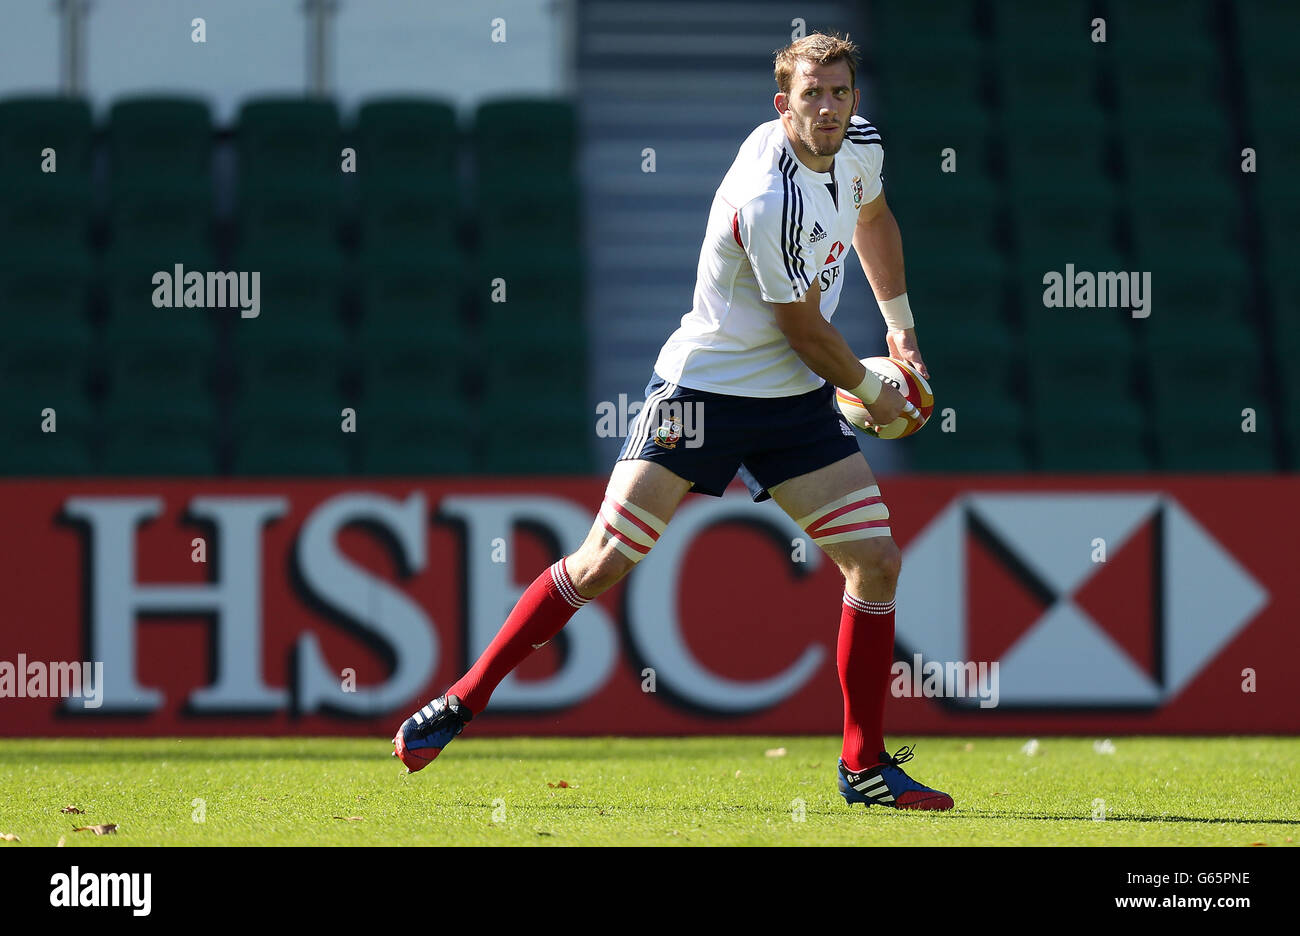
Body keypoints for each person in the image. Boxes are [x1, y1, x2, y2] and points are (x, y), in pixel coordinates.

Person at [393, 31, 953, 811]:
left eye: (839, 91)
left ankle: (863, 769)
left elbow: (875, 218)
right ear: (780, 105)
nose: (828, 108)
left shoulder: (858, 145)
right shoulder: (770, 196)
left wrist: (900, 327)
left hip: (793, 401)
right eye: (811, 94)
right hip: (704, 396)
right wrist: (873, 388)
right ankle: (464, 696)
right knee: (601, 563)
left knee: (877, 561)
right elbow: (803, 329)